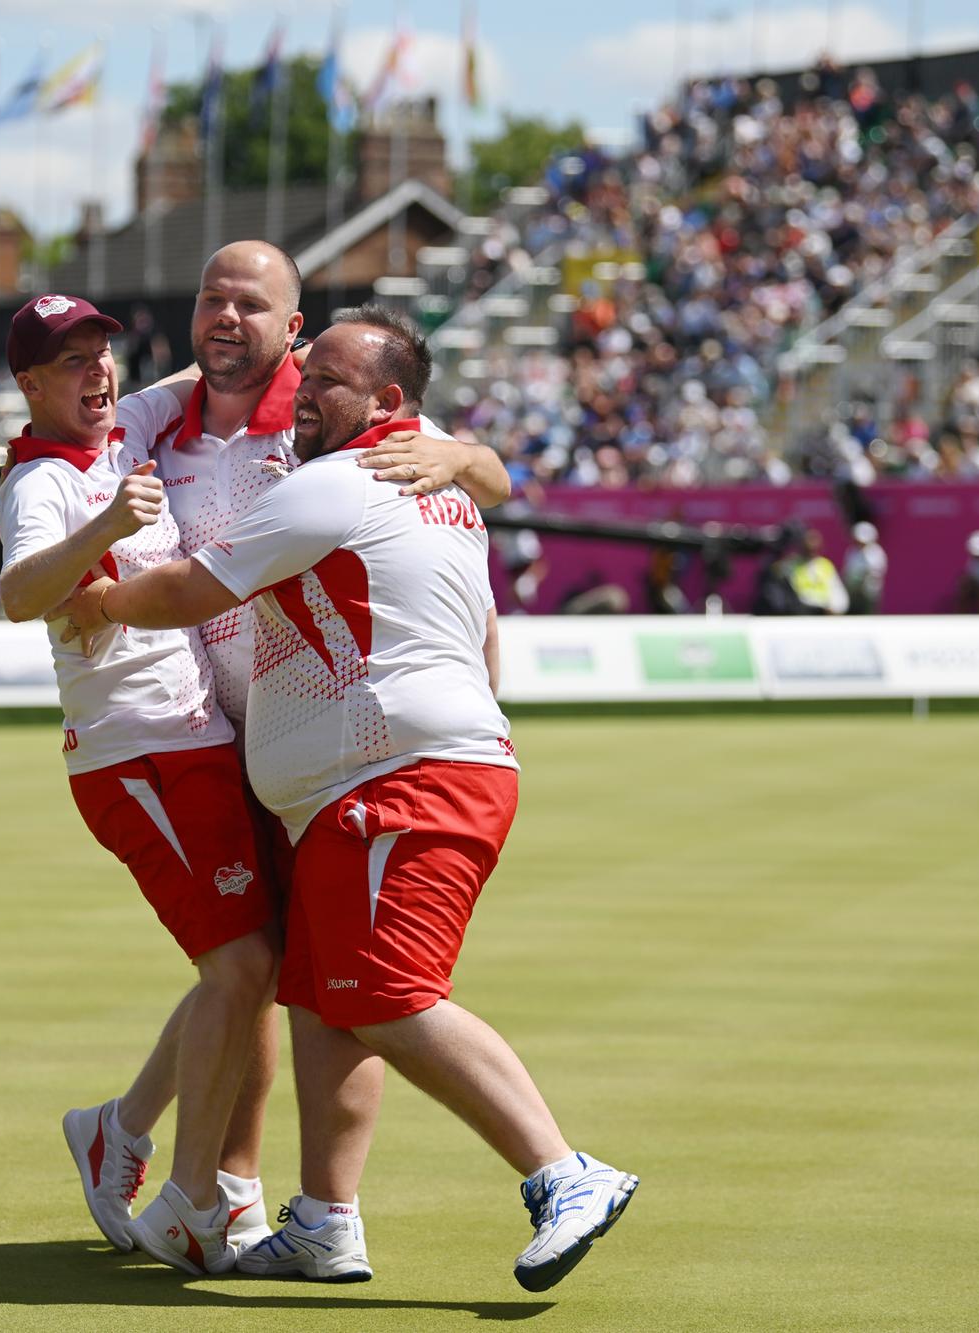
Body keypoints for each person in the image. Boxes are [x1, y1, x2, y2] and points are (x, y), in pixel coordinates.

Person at [63, 307, 636, 1292]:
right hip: (372, 785)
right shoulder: (435, 487)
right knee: (325, 1004)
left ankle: (563, 1170)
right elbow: (484, 609)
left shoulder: (339, 484)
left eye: (326, 379)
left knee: (386, 995)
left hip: (396, 783)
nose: (304, 391)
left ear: (388, 402)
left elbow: (191, 591)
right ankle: (324, 1221)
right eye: (305, 374)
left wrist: (101, 596)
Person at [0, 293, 278, 1276]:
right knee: (243, 971)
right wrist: (107, 522)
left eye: (100, 353)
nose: (94, 373)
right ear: (29, 384)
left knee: (252, 968)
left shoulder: (125, 431)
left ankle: (121, 1131)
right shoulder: (40, 479)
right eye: (69, 361)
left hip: (195, 740)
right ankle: (186, 1190)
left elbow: (208, 377)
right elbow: (20, 595)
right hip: (132, 752)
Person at [789, 527, 849, 614]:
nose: (811, 548)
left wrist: (834, 608)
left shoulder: (826, 565)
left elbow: (838, 593)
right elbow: (796, 596)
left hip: (826, 614)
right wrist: (820, 606)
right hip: (804, 614)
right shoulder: (792, 565)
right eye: (808, 547)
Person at [842, 521, 887, 614]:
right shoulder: (852, 551)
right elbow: (848, 571)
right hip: (852, 592)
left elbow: (876, 572)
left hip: (868, 593)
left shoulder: (876, 552)